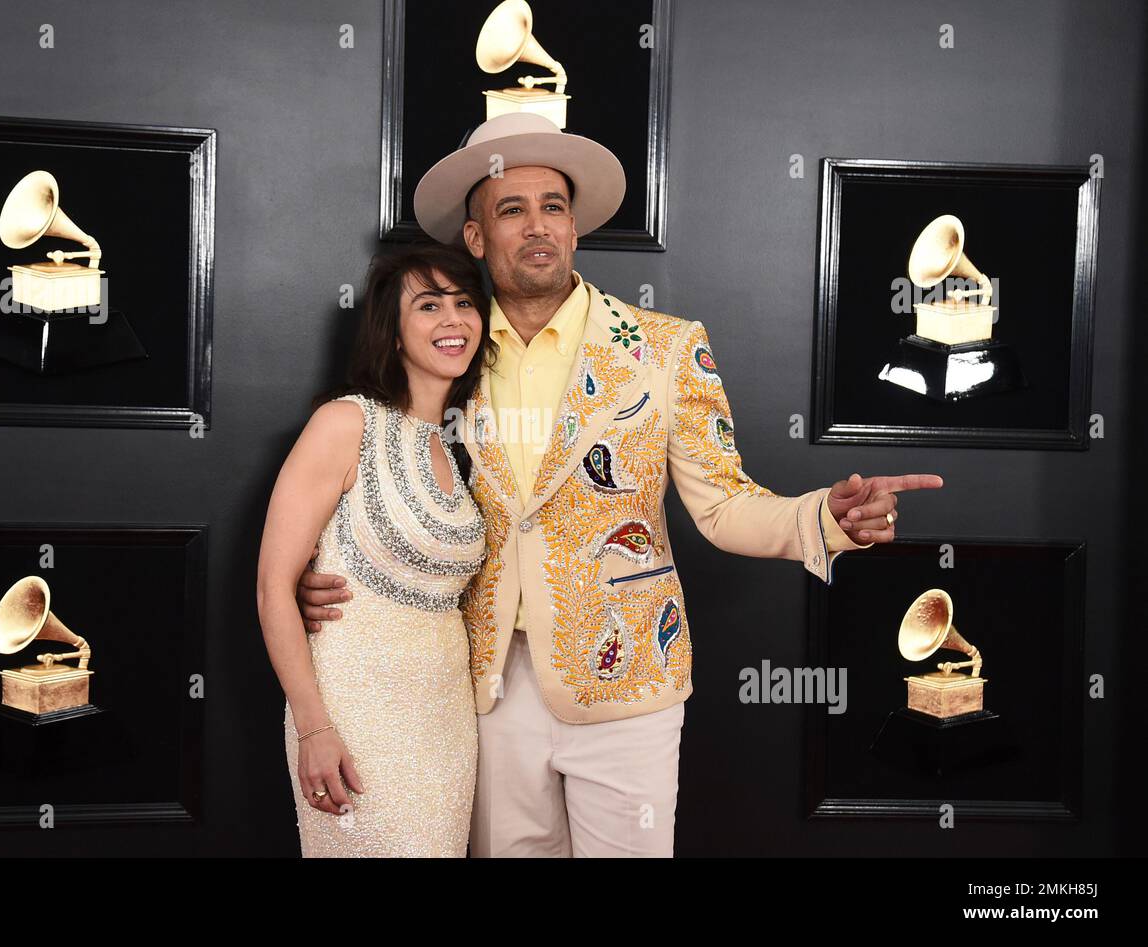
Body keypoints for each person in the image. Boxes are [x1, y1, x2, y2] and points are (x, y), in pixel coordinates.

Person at [298, 113, 943, 857]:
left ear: (574, 229)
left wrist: (824, 518)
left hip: (629, 679)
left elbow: (724, 502)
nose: (537, 226)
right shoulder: (452, 355)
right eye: (512, 209)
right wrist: (332, 577)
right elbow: (398, 478)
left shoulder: (667, 349)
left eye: (554, 208)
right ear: (474, 237)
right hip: (482, 690)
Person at [256, 243, 496, 856]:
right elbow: (273, 587)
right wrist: (313, 726)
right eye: (429, 305)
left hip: (446, 718)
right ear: (392, 332)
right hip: (352, 712)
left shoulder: (466, 442)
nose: (453, 321)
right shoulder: (345, 423)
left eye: (465, 303)